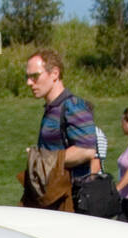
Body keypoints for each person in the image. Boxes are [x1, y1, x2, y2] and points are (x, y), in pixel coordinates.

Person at [24, 48, 96, 177]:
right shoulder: (51, 108)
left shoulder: (73, 106)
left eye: (35, 76)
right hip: (52, 193)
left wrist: (44, 158)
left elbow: (86, 150)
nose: (29, 83)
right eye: (27, 77)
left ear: (55, 74)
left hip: (72, 194)